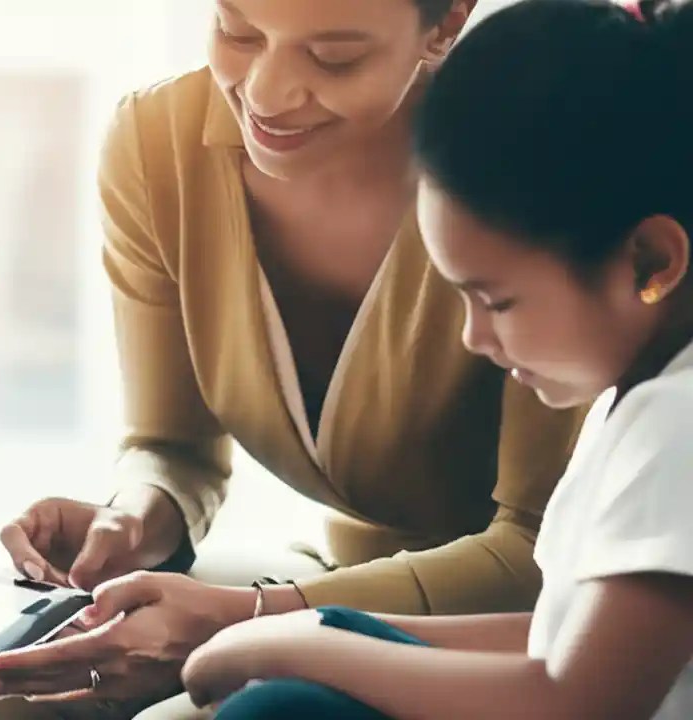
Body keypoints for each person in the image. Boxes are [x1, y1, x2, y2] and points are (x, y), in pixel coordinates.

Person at [0, 0, 586, 718]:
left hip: (498, 629)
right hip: (333, 574)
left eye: (335, 57)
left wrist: (249, 618)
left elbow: (538, 552)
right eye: (238, 30)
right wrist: (132, 521)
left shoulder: (526, 174)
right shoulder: (160, 143)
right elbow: (172, 445)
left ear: (444, 25)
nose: (266, 93)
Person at [173, 0, 693, 717]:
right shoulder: (643, 396)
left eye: (498, 302)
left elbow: (575, 702)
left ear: (651, 260)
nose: (474, 337)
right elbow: (557, 641)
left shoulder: (679, 421)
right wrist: (303, 630)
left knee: (283, 708)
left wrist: (291, 645)